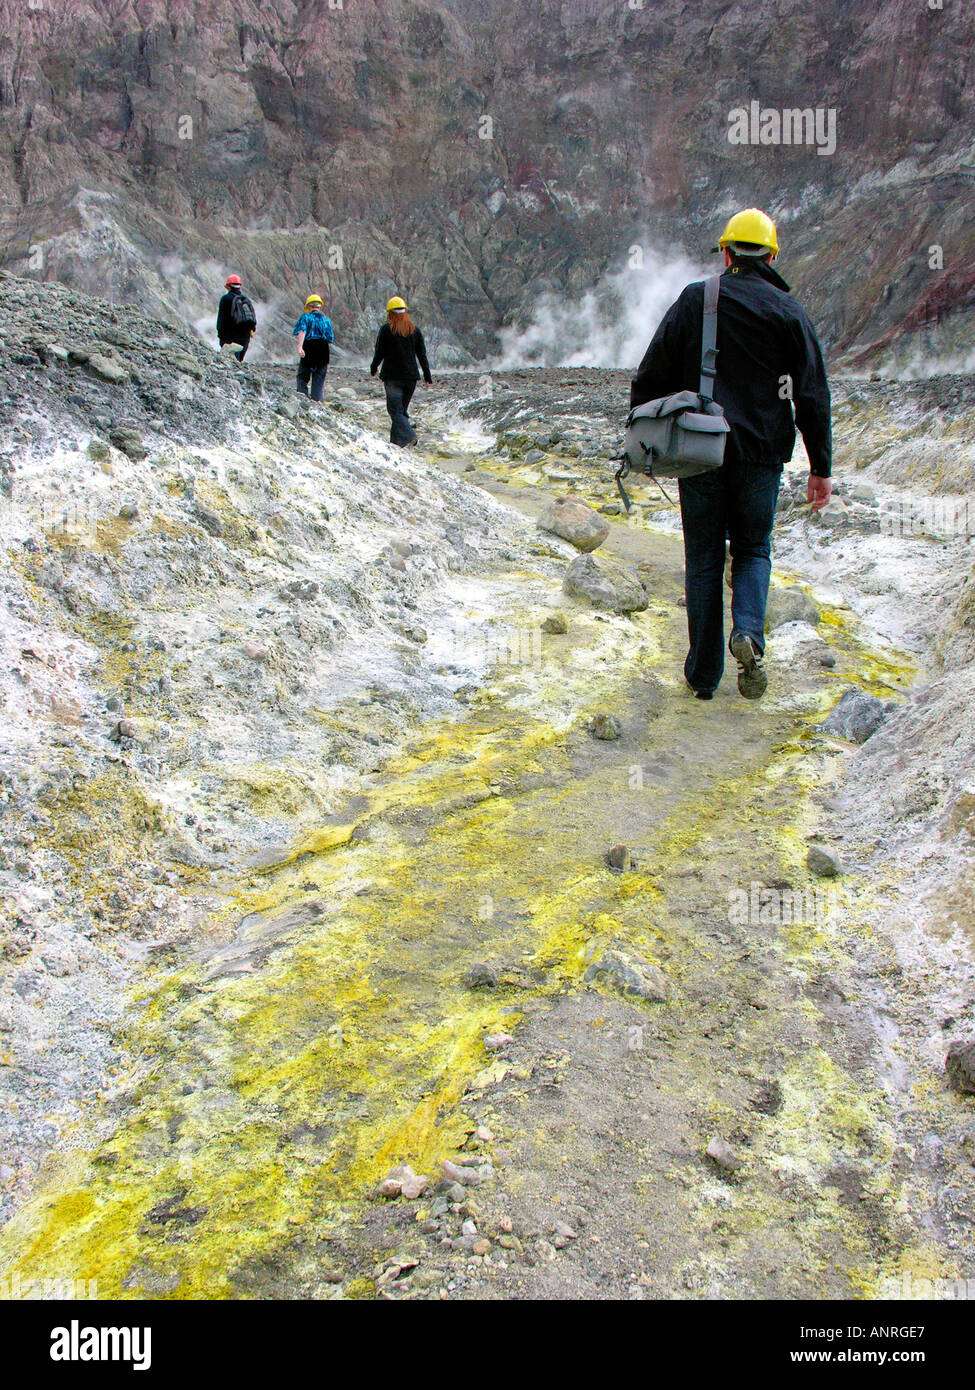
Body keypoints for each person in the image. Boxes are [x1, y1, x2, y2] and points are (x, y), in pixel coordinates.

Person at [630, 208, 832, 702]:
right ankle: (748, 632)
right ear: (772, 255)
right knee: (753, 550)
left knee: (702, 559)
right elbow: (812, 394)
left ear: (725, 252)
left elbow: (651, 373)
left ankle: (703, 677)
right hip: (763, 454)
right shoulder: (790, 312)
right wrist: (820, 467)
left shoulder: (698, 300)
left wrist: (643, 433)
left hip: (702, 451)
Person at [369, 296, 432, 446]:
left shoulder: (386, 330)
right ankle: (396, 444)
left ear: (389, 313)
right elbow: (422, 355)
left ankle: (410, 435)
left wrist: (373, 367)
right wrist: (427, 377)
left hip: (392, 378)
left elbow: (379, 352)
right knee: (401, 411)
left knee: (395, 411)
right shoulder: (415, 331)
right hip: (410, 378)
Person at [293, 294, 335, 401]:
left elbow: (302, 331)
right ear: (320, 306)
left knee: (302, 377)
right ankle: (317, 403)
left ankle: (303, 401)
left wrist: (300, 347)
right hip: (323, 350)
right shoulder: (326, 321)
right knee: (318, 380)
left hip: (309, 348)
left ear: (308, 306)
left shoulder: (305, 317)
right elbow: (330, 339)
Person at [216, 275, 257, 361]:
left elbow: (221, 319)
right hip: (245, 338)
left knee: (231, 362)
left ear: (228, 286)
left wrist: (220, 335)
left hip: (229, 338)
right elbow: (252, 319)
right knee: (239, 362)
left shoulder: (225, 299)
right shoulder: (246, 300)